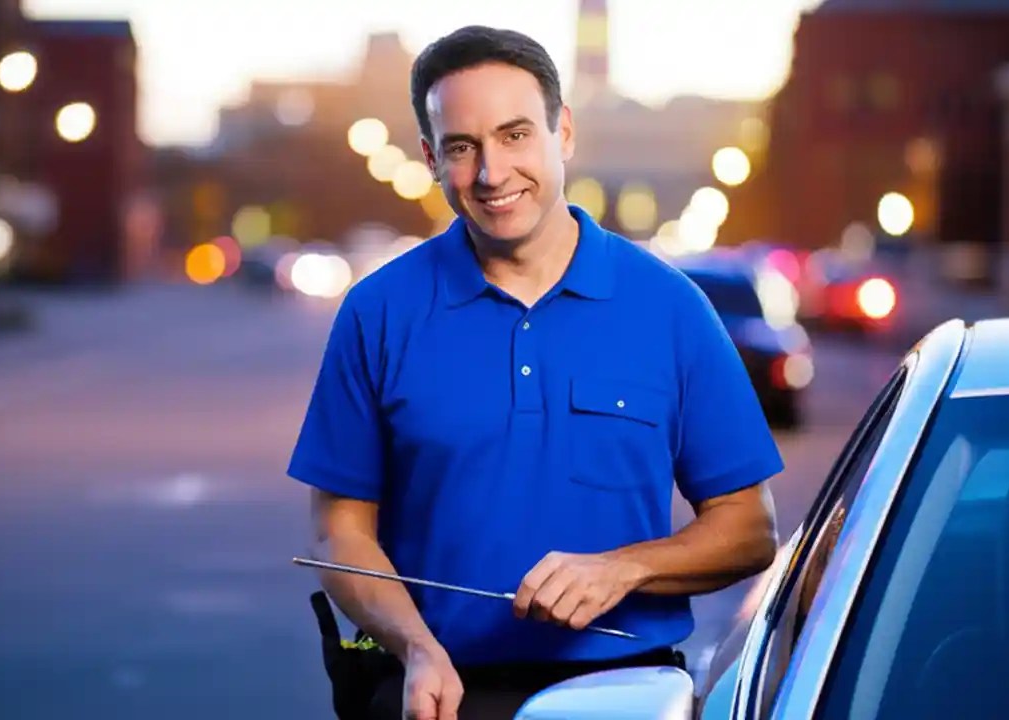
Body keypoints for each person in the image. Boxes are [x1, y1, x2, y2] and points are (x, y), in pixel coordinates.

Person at [288, 24, 783, 720]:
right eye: (462, 147)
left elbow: (749, 528)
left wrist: (625, 566)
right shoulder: (378, 311)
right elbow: (340, 532)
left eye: (516, 135)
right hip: (430, 693)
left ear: (564, 133)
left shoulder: (670, 308)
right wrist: (416, 646)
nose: (492, 174)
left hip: (622, 695)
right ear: (431, 157)